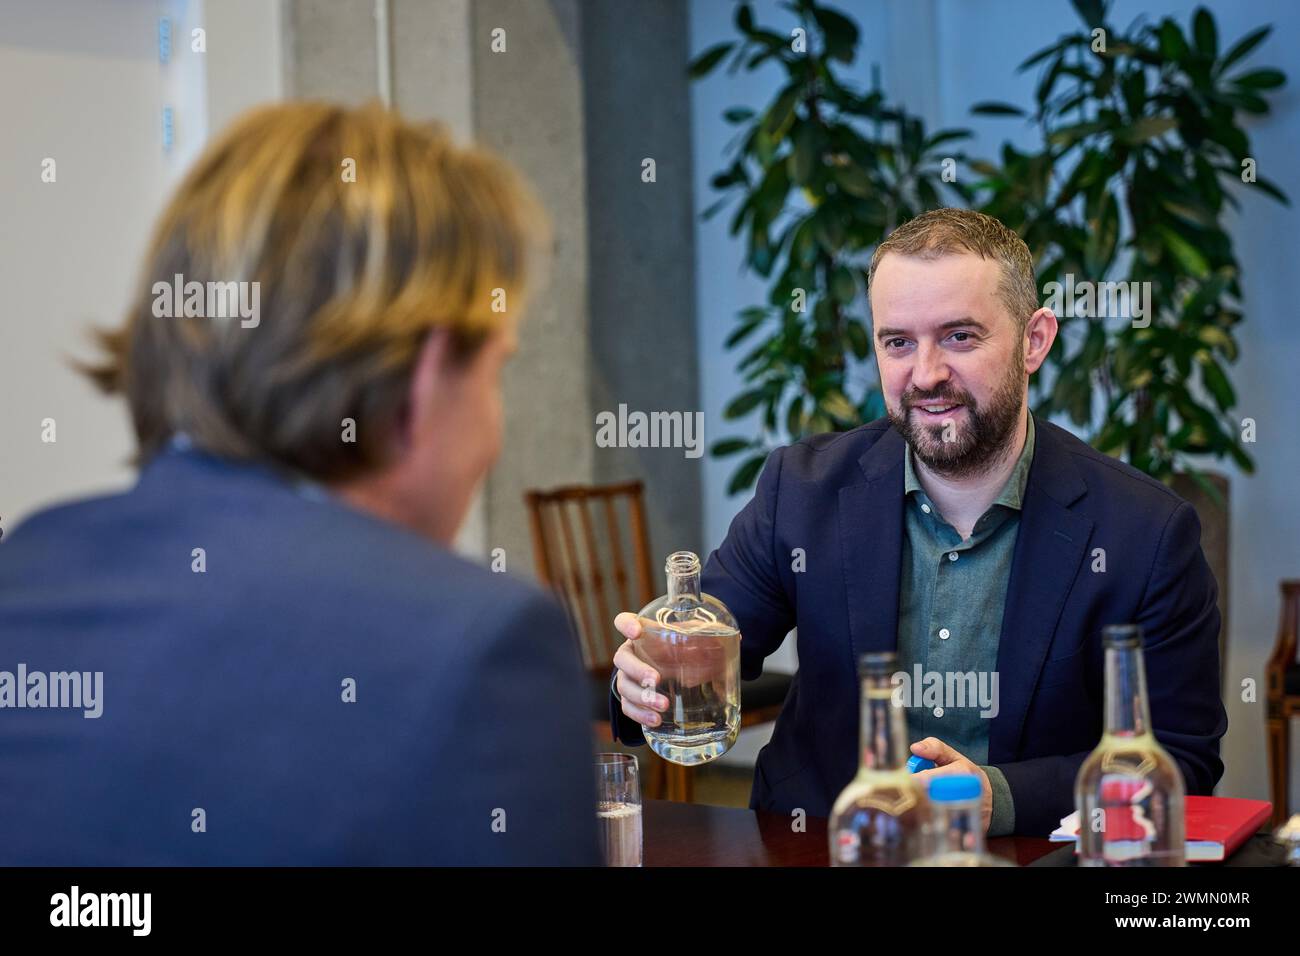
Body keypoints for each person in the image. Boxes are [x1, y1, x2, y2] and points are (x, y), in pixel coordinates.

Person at [0, 102, 599, 865]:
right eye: (497, 372)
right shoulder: (478, 647)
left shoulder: (27, 570)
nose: (494, 424)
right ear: (423, 380)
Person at [610, 208, 1227, 838]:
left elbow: (1182, 758)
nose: (926, 374)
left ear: (1035, 341)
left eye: (959, 336)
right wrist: (646, 678)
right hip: (822, 845)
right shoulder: (800, 491)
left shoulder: (1146, 533)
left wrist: (999, 797)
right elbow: (705, 645)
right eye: (897, 341)